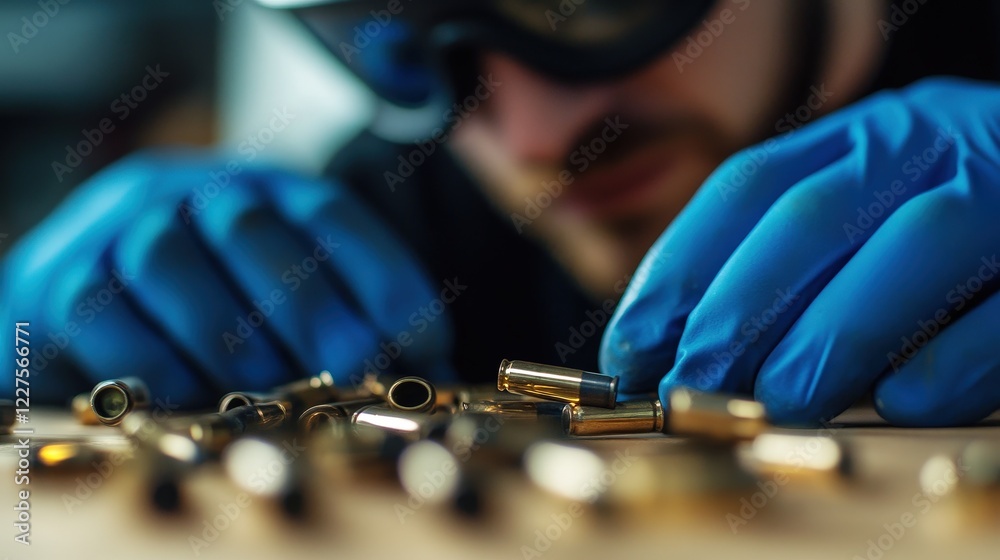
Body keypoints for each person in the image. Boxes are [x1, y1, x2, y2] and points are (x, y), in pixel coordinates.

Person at [3, 0, 999, 426]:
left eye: (584, 3)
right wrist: (28, 362)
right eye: (397, 38)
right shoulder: (377, 229)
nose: (531, 139)